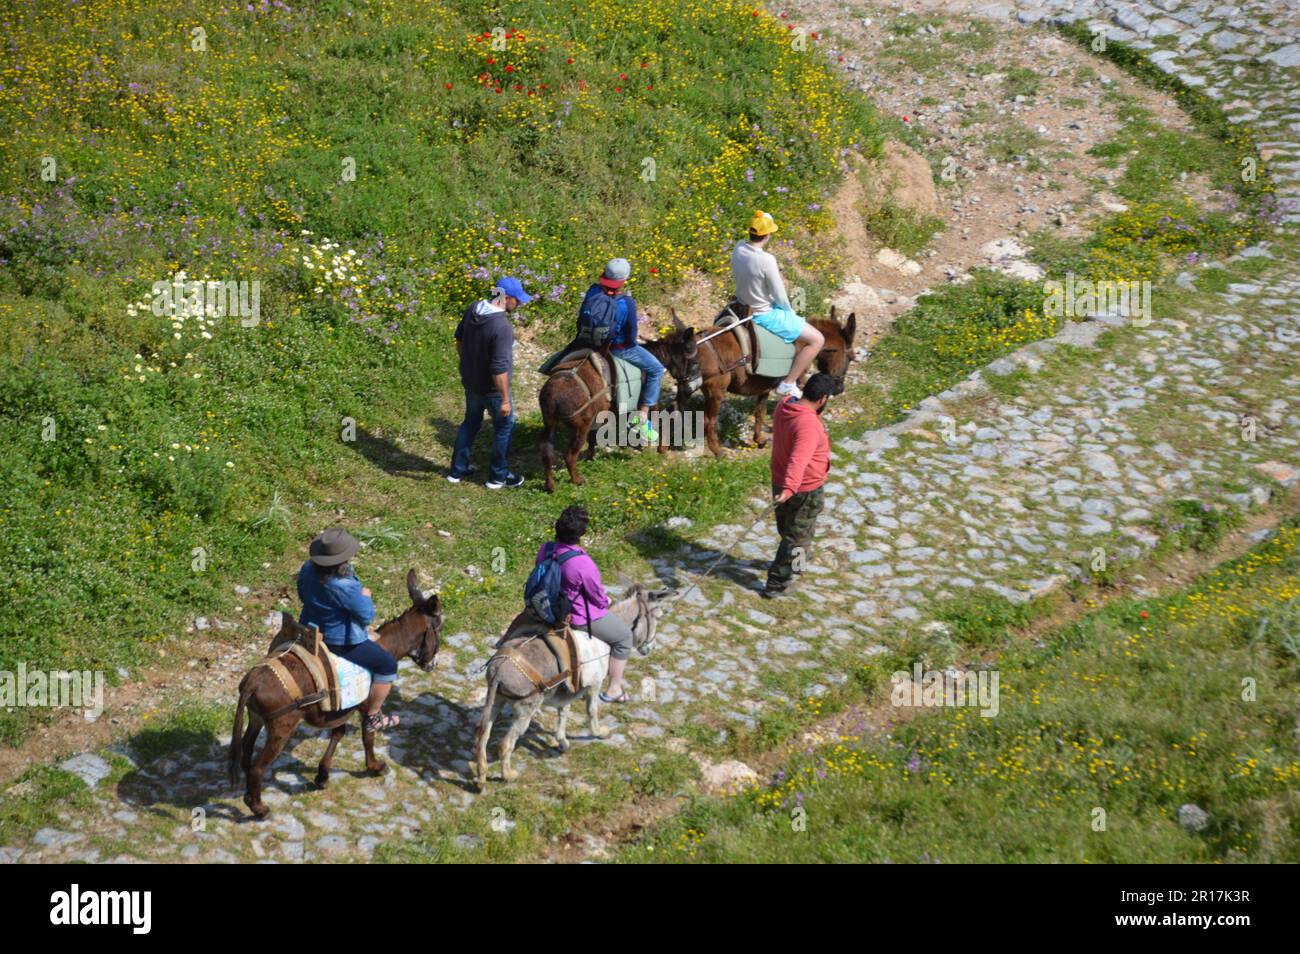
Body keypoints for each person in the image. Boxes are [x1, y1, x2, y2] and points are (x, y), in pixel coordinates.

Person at [297, 528, 400, 731]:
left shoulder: (307, 569)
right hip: (339, 641)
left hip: (309, 627)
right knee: (387, 665)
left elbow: (301, 593)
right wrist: (366, 597)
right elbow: (366, 616)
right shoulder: (343, 585)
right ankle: (373, 716)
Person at [536, 505, 633, 703]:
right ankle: (614, 688)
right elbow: (596, 595)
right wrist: (606, 600)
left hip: (544, 606)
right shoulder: (582, 562)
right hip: (577, 616)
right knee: (624, 638)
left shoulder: (546, 548)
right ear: (581, 534)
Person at [730, 210, 824, 400]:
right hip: (763, 313)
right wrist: (789, 311)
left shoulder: (738, 247)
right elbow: (779, 293)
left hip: (740, 304)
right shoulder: (766, 259)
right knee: (817, 340)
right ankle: (787, 383)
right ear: (768, 235)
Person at [448, 276, 530, 489]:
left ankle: (457, 470)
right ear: (506, 298)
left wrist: (468, 365)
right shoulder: (501, 326)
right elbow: (499, 368)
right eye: (517, 300)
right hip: (492, 390)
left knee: (470, 423)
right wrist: (504, 399)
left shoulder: (473, 309)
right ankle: (497, 477)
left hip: (471, 381)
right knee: (504, 428)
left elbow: (459, 340)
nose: (519, 304)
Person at [763, 373, 835, 598]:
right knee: (795, 536)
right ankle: (777, 583)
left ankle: (798, 561)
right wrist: (790, 488)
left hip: (780, 480)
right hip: (803, 488)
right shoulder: (809, 424)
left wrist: (784, 487)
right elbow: (799, 458)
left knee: (794, 529)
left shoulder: (785, 406)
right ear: (822, 398)